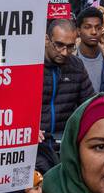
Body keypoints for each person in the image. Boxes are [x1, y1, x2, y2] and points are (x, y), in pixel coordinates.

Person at [40, 18, 95, 150]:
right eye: (59, 45)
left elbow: (89, 106)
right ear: (47, 39)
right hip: (34, 145)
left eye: (70, 47)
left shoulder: (77, 66)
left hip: (64, 145)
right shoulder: (29, 66)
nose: (65, 52)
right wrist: (26, 129)